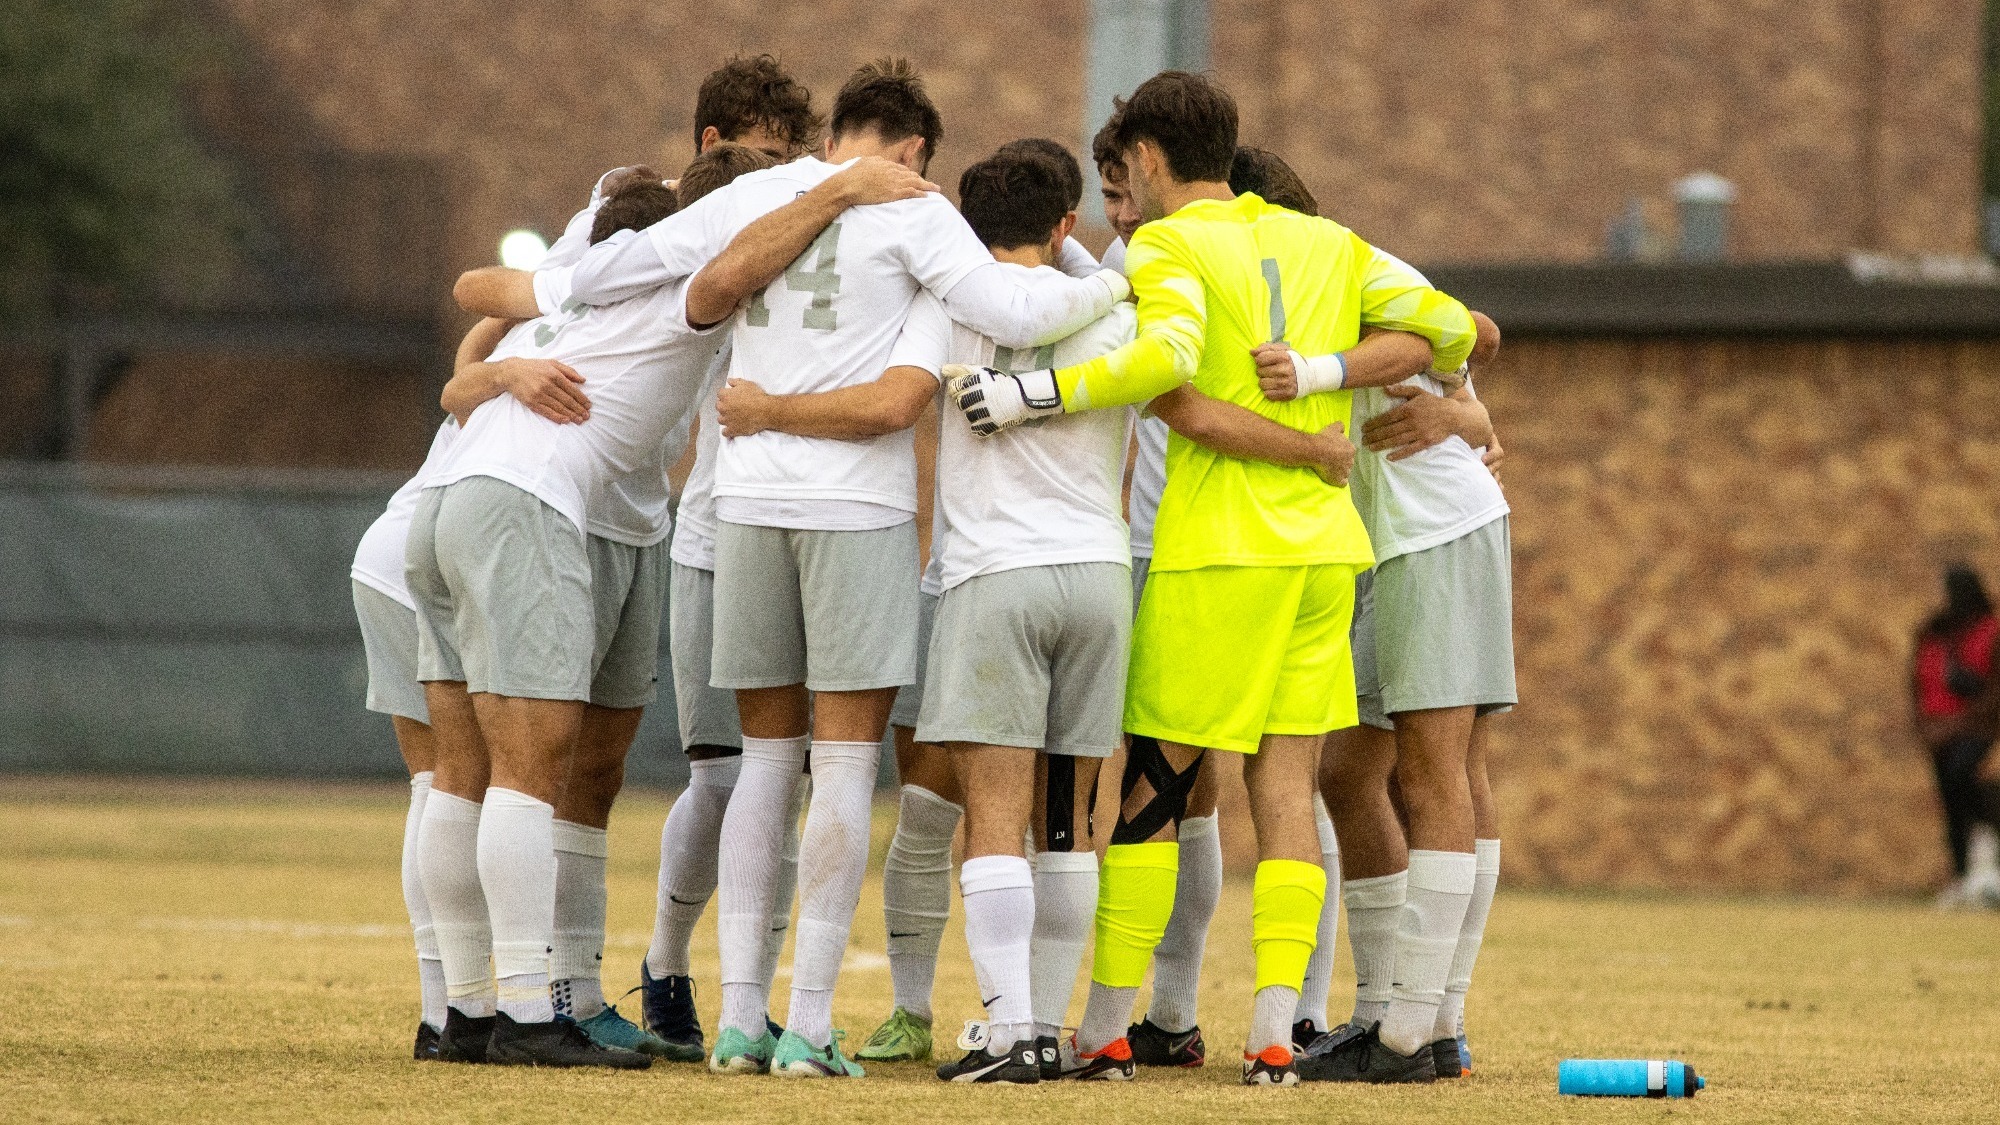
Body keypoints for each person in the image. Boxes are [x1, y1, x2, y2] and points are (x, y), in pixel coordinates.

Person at [549, 57, 1130, 1080]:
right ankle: (808, 1026)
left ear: (831, 136)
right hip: (857, 512)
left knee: (761, 762)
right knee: (846, 766)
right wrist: (1123, 282)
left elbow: (654, 285)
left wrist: (804, 212)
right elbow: (1017, 314)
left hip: (744, 505)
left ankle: (739, 1019)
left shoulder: (762, 193)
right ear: (914, 151)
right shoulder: (916, 212)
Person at [949, 70, 1478, 1087]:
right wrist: (1325, 377)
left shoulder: (1169, 243)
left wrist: (1032, 394)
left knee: (1153, 787)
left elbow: (1165, 361)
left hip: (1216, 551)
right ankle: (1275, 1035)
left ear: (1147, 158)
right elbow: (1447, 326)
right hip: (1322, 553)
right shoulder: (1326, 241)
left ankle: (1106, 1028)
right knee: (1286, 790)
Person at [411, 148, 926, 1069]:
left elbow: (476, 313)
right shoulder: (685, 282)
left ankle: (468, 1012)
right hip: (522, 500)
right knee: (529, 769)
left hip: (453, 496)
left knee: (469, 772)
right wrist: (842, 186)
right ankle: (526, 1014)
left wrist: (494, 374)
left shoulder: (602, 271)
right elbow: (727, 271)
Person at [1913, 565, 2000, 907]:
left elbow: (1993, 691)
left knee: (1964, 779)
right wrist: (1926, 725)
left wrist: (1959, 721)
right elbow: (1919, 683)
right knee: (1951, 801)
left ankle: (1985, 858)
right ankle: (1964, 875)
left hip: (1974, 727)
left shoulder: (1990, 632)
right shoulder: (1936, 633)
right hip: (1938, 731)